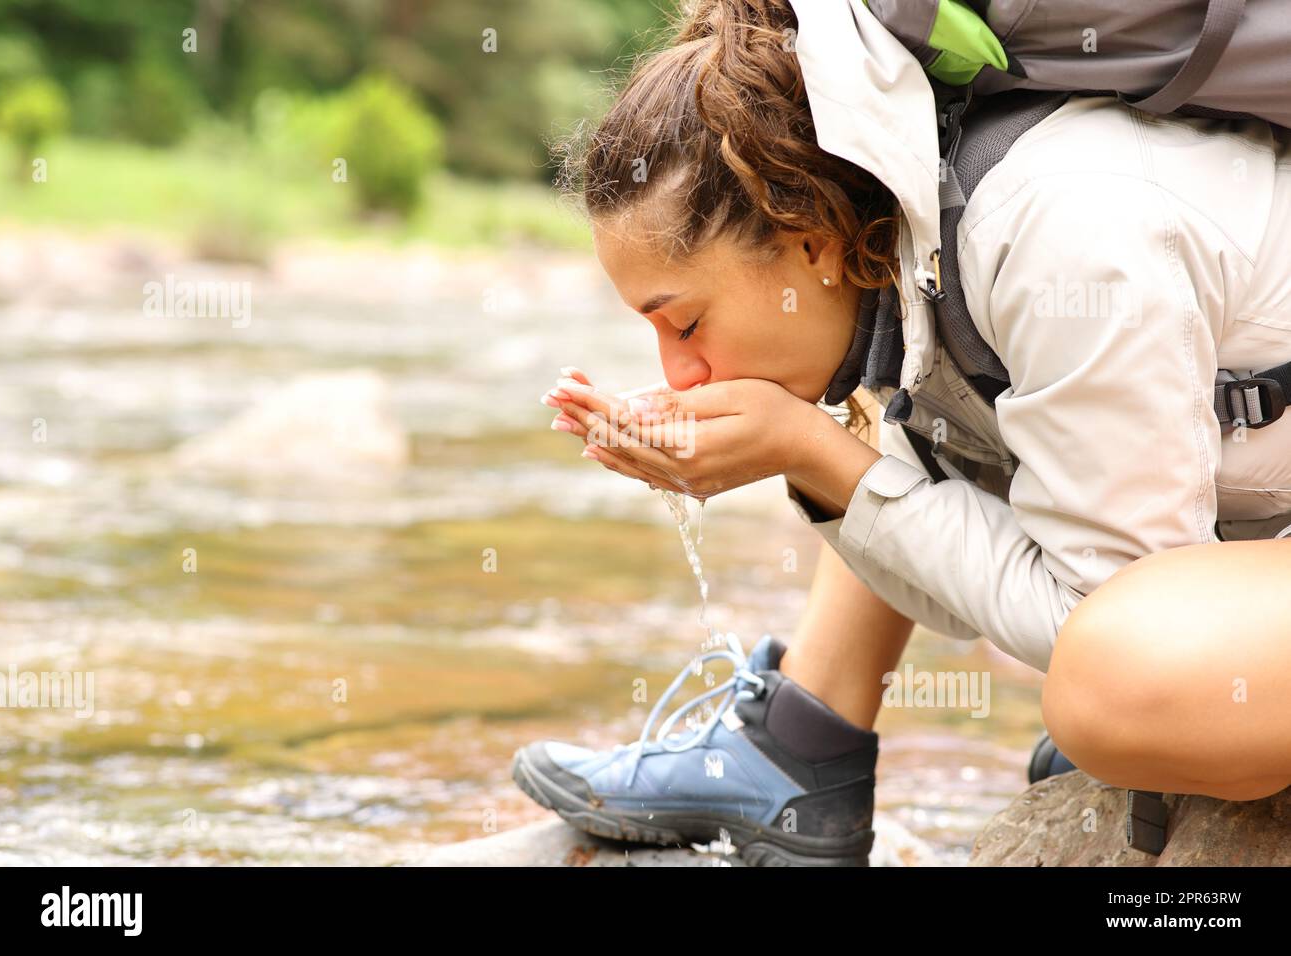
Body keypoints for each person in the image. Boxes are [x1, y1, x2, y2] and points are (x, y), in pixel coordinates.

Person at [511, 0, 1291, 865]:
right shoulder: (922, 233)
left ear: (811, 245)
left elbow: (1102, 619)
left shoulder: (1051, 234)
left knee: (1114, 691)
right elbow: (950, 579)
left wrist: (815, 455)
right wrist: (819, 459)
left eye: (685, 325)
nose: (677, 376)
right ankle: (802, 742)